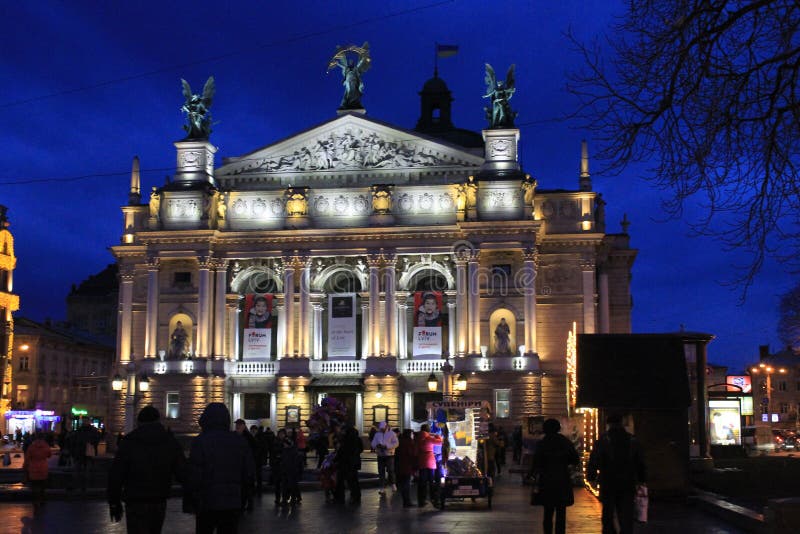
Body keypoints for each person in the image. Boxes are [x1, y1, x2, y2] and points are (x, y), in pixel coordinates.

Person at [108, 406, 185, 534]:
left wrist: (114, 502)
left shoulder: (129, 441)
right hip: (159, 500)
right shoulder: (169, 441)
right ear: (158, 420)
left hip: (135, 501)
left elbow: (116, 474)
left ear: (139, 422)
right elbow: (182, 471)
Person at [185, 403, 255, 534]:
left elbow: (194, 473)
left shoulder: (200, 441)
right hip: (231, 502)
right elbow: (248, 473)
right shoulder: (239, 441)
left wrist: (192, 500)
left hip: (206, 501)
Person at [587, 413, 647, 534]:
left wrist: (591, 477)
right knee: (626, 512)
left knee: (608, 512)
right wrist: (641, 479)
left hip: (608, 480)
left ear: (608, 424)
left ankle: (609, 531)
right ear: (621, 423)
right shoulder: (632, 440)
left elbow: (594, 460)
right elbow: (640, 462)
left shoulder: (603, 440)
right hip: (628, 481)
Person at [531, 419, 580, 534]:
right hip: (562, 479)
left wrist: (533, 474)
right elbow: (575, 460)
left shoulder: (542, 443)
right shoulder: (565, 442)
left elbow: (536, 462)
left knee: (548, 512)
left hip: (546, 480)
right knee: (561, 512)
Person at [334, 424, 363, 505]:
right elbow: (361, 449)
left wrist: (335, 459)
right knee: (354, 481)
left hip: (346, 464)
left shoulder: (346, 440)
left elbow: (342, 452)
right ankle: (356, 496)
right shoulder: (357, 439)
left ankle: (340, 497)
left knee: (343, 481)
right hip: (354, 463)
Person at [415, 423, 442, 507]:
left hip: (421, 461)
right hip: (429, 461)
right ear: (428, 430)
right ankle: (433, 499)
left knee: (422, 482)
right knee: (431, 481)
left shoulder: (417, 438)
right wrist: (437, 435)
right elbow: (440, 442)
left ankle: (421, 501)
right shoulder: (428, 438)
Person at [234, 419, 259, 509]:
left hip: (247, 465)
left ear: (244, 426)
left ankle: (248, 503)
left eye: (239, 425)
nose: (237, 426)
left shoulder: (248, 437)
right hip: (238, 465)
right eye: (237, 425)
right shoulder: (233, 435)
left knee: (247, 486)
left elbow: (255, 449)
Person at [24, 431, 52, 511]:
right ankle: (42, 500)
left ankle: (35, 502)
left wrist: (25, 467)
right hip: (43, 468)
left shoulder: (31, 447)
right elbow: (49, 455)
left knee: (34, 486)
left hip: (33, 468)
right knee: (42, 486)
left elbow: (27, 458)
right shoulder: (46, 446)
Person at [371, 421, 398, 495]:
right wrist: (377, 445)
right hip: (381, 455)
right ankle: (382, 487)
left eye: (383, 428)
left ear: (386, 427)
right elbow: (373, 443)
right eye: (381, 429)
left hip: (389, 455)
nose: (382, 430)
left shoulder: (392, 433)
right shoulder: (377, 434)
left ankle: (393, 484)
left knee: (390, 470)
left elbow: (396, 443)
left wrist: (387, 446)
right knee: (381, 472)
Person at [396, 429, 417, 507]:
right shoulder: (410, 442)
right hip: (407, 466)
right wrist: (415, 466)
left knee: (403, 484)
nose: (413, 435)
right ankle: (407, 502)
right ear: (409, 434)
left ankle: (405, 500)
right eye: (412, 434)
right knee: (406, 484)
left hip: (400, 466)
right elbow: (413, 455)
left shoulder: (400, 441)